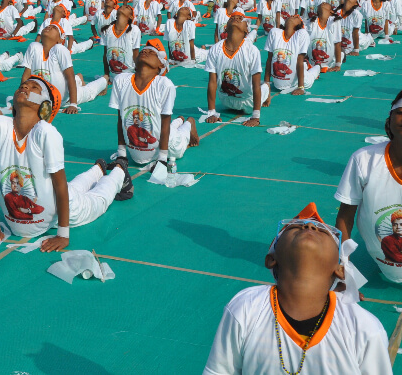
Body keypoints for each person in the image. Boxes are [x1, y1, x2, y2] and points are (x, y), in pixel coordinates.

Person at [204, 203, 391, 375]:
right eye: (295, 226)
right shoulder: (246, 308)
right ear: (271, 259)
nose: (309, 226)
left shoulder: (364, 328)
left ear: (340, 270)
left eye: (323, 231)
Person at [0, 76, 130, 251]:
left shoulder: (45, 132)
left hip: (66, 207)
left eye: (34, 87)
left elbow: (60, 184)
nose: (25, 86)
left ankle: (120, 171)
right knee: (75, 187)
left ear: (45, 106)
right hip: (55, 193)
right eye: (23, 85)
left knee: (98, 200)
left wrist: (63, 235)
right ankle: (98, 168)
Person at [335, 90, 402, 280]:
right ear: (390, 119)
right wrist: (344, 268)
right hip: (384, 267)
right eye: (401, 112)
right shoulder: (363, 160)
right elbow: (345, 217)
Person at [109, 39, 198, 166]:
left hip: (164, 139)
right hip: (152, 134)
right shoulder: (120, 81)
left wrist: (162, 158)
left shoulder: (164, 85)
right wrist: (122, 155)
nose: (145, 51)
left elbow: (165, 124)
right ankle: (179, 121)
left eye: (152, 52)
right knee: (160, 124)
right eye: (143, 51)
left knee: (178, 147)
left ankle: (189, 123)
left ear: (161, 65)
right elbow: (121, 120)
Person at [21, 23, 109, 113]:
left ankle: (104, 80)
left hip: (64, 99)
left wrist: (73, 104)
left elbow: (70, 77)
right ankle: (78, 78)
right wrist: (22, 96)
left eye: (54, 28)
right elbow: (26, 75)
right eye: (48, 26)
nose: (49, 27)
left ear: (60, 40)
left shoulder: (60, 49)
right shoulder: (33, 47)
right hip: (41, 99)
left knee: (89, 92)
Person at [204, 13, 269, 127]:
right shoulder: (215, 49)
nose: (235, 19)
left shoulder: (252, 50)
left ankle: (267, 87)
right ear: (226, 27)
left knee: (262, 87)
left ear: (246, 30)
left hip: (248, 101)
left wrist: (255, 116)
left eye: (240, 19)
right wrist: (211, 112)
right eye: (232, 18)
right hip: (225, 100)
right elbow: (212, 82)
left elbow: (255, 84)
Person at [263, 14, 319, 94]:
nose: (293, 16)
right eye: (292, 15)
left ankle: (317, 65)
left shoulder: (301, 34)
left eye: (297, 17)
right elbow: (269, 59)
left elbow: (299, 60)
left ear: (300, 25)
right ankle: (306, 64)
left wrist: (301, 87)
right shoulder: (274, 32)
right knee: (300, 64)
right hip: (278, 84)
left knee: (311, 75)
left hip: (298, 81)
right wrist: (266, 83)